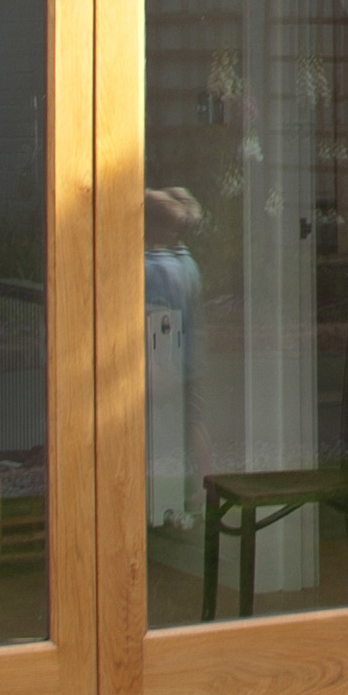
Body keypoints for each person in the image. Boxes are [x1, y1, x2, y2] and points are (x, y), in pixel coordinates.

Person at [144, 187, 206, 533]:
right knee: (193, 423)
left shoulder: (154, 269)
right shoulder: (188, 264)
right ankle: (202, 490)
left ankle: (158, 503)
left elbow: (157, 321)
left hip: (164, 364)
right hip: (191, 359)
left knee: (156, 432)